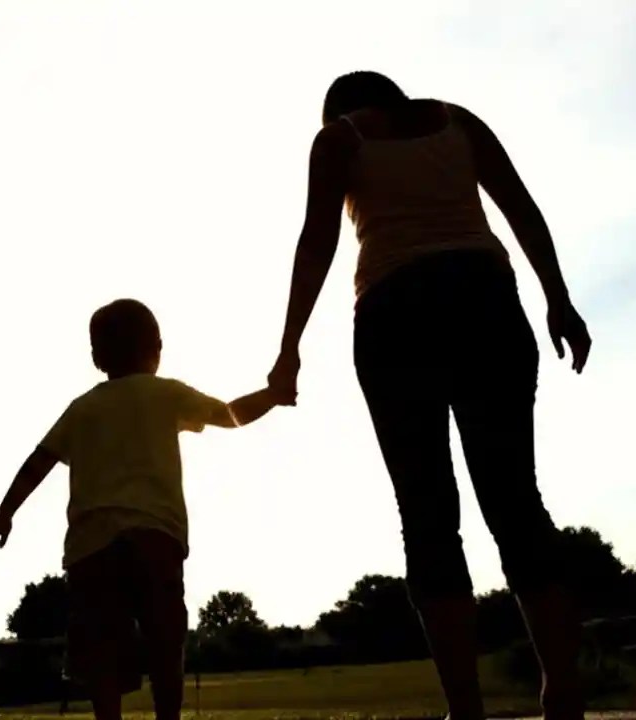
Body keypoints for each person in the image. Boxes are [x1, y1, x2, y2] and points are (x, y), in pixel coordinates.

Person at [266, 71, 592, 720]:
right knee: (516, 500)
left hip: (395, 312)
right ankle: (563, 689)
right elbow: (520, 208)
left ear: (342, 110)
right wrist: (559, 298)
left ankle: (465, 709)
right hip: (486, 300)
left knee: (427, 513)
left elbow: (317, 240)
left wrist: (289, 347)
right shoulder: (457, 120)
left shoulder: (336, 139)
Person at [0, 298, 293, 720]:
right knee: (165, 641)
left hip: (91, 547)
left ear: (95, 357)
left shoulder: (82, 408)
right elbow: (230, 414)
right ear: (158, 347)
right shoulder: (167, 393)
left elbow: (39, 461)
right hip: (154, 537)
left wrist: (5, 512)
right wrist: (272, 395)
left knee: (100, 654)